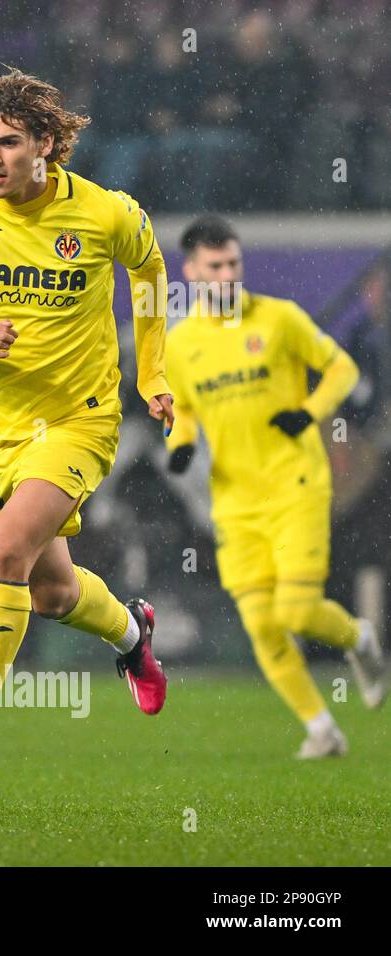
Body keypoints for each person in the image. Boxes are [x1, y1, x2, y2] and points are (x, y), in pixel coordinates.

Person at [0, 69, 173, 796]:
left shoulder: (108, 214)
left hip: (79, 417)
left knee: (4, 548)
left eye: (8, 143)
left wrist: (153, 377)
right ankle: (132, 633)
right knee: (50, 593)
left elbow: (149, 270)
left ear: (46, 144)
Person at [165, 216, 384, 758]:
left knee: (295, 610)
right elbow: (186, 410)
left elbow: (343, 370)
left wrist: (307, 413)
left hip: (296, 485)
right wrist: (182, 444)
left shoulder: (279, 319)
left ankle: (360, 639)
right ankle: (321, 730)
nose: (228, 275)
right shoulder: (181, 342)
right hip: (235, 500)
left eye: (234, 263)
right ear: (192, 272)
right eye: (216, 266)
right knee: (262, 624)